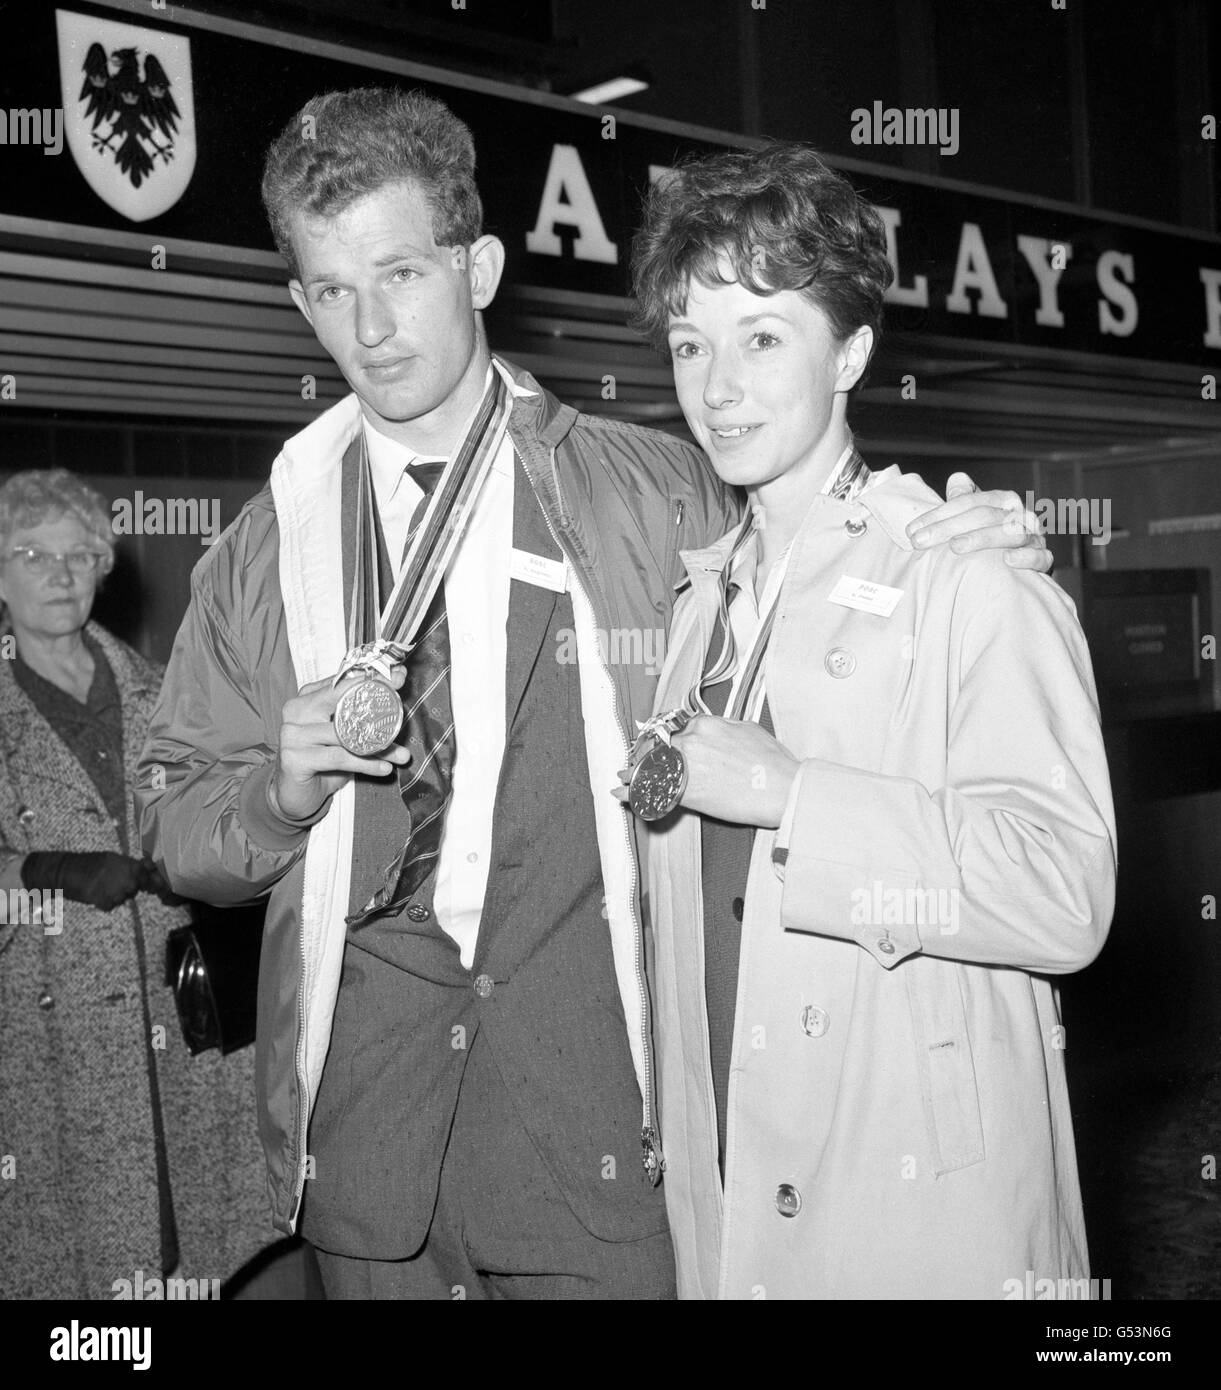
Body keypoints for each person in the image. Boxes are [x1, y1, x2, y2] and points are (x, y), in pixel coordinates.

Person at [136, 88, 1050, 1300]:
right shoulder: (262, 552)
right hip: (368, 1164)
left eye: (401, 274)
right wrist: (277, 793)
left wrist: (946, 528)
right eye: (331, 290)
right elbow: (166, 823)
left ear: (480, 266)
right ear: (300, 299)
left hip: (602, 1153)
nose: (371, 327)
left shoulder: (652, 488)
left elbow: (811, 560)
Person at [627, 143, 1117, 1299]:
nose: (719, 386)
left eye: (761, 338)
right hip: (736, 1201)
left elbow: (1064, 891)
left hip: (912, 1220)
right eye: (691, 345)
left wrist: (796, 796)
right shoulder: (703, 603)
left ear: (850, 350)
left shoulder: (968, 572)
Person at [0, 469, 268, 1299]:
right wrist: (40, 871)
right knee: (71, 1247)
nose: (61, 572)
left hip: (171, 1010)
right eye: (34, 553)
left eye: (81, 555)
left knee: (187, 1235)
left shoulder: (165, 690)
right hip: (41, 1025)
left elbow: (225, 825)